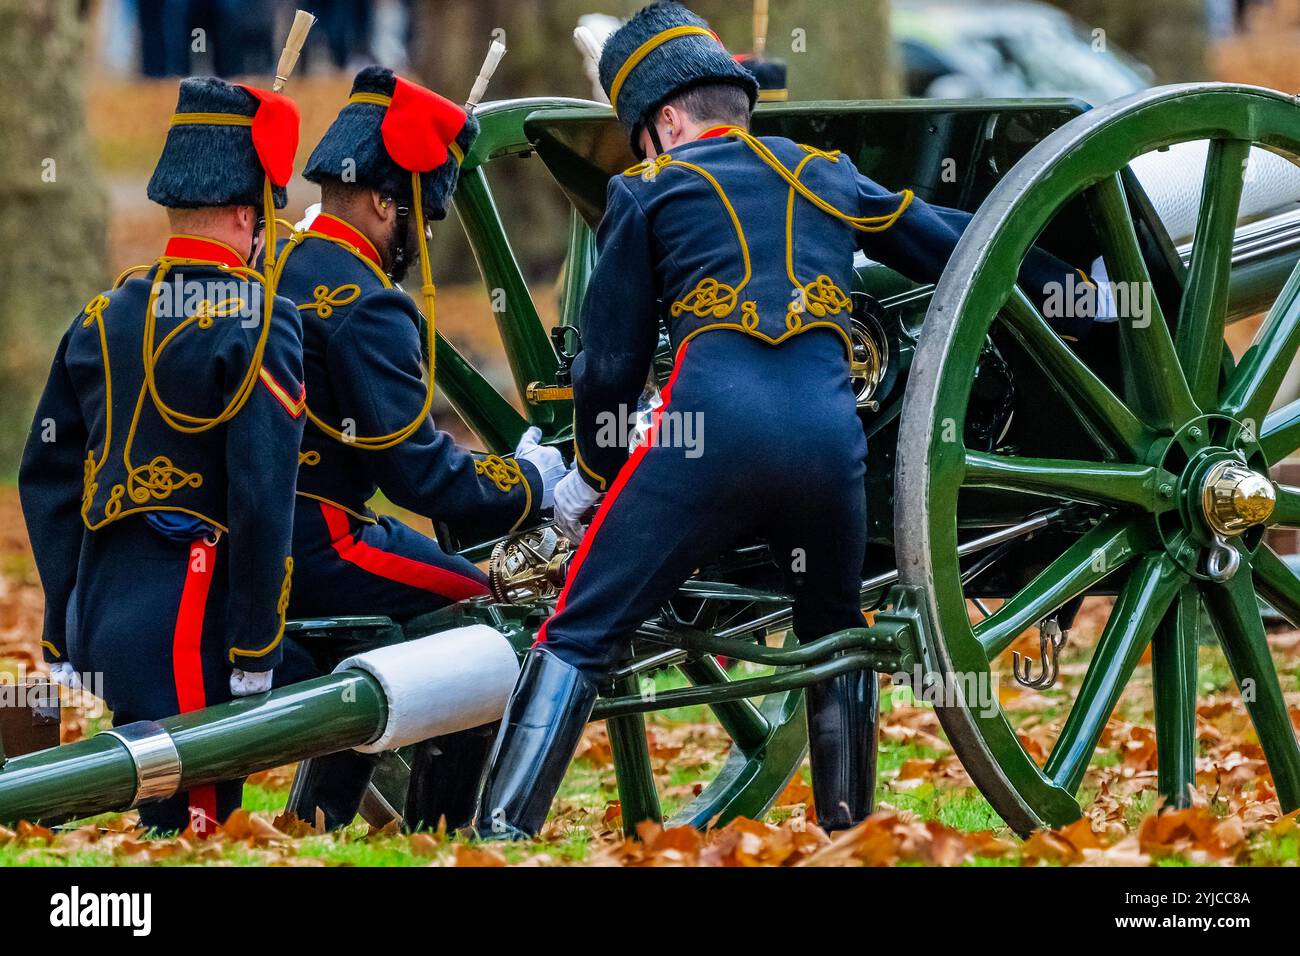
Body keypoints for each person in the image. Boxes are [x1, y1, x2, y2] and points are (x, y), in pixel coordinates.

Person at [474, 1, 1097, 839]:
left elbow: (612, 368)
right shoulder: (823, 170)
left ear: (663, 119)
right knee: (837, 630)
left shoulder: (645, 190)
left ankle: (502, 832)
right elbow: (954, 243)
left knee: (579, 629)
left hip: (705, 450)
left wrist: (593, 472)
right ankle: (849, 831)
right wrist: (1075, 289)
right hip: (828, 455)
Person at [269, 66, 565, 831]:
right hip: (320, 539)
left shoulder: (271, 263)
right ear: (380, 202)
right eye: (418, 220)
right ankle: (443, 833)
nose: (420, 238)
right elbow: (418, 473)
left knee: (388, 628)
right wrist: (530, 480)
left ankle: (321, 819)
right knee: (484, 622)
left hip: (251, 532)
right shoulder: (367, 303)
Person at [19, 77, 304, 834]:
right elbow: (262, 493)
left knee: (157, 821)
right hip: (195, 614)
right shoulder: (259, 318)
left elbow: (45, 478)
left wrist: (62, 621)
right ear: (248, 215)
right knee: (199, 830)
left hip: (107, 611)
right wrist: (255, 642)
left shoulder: (99, 315)